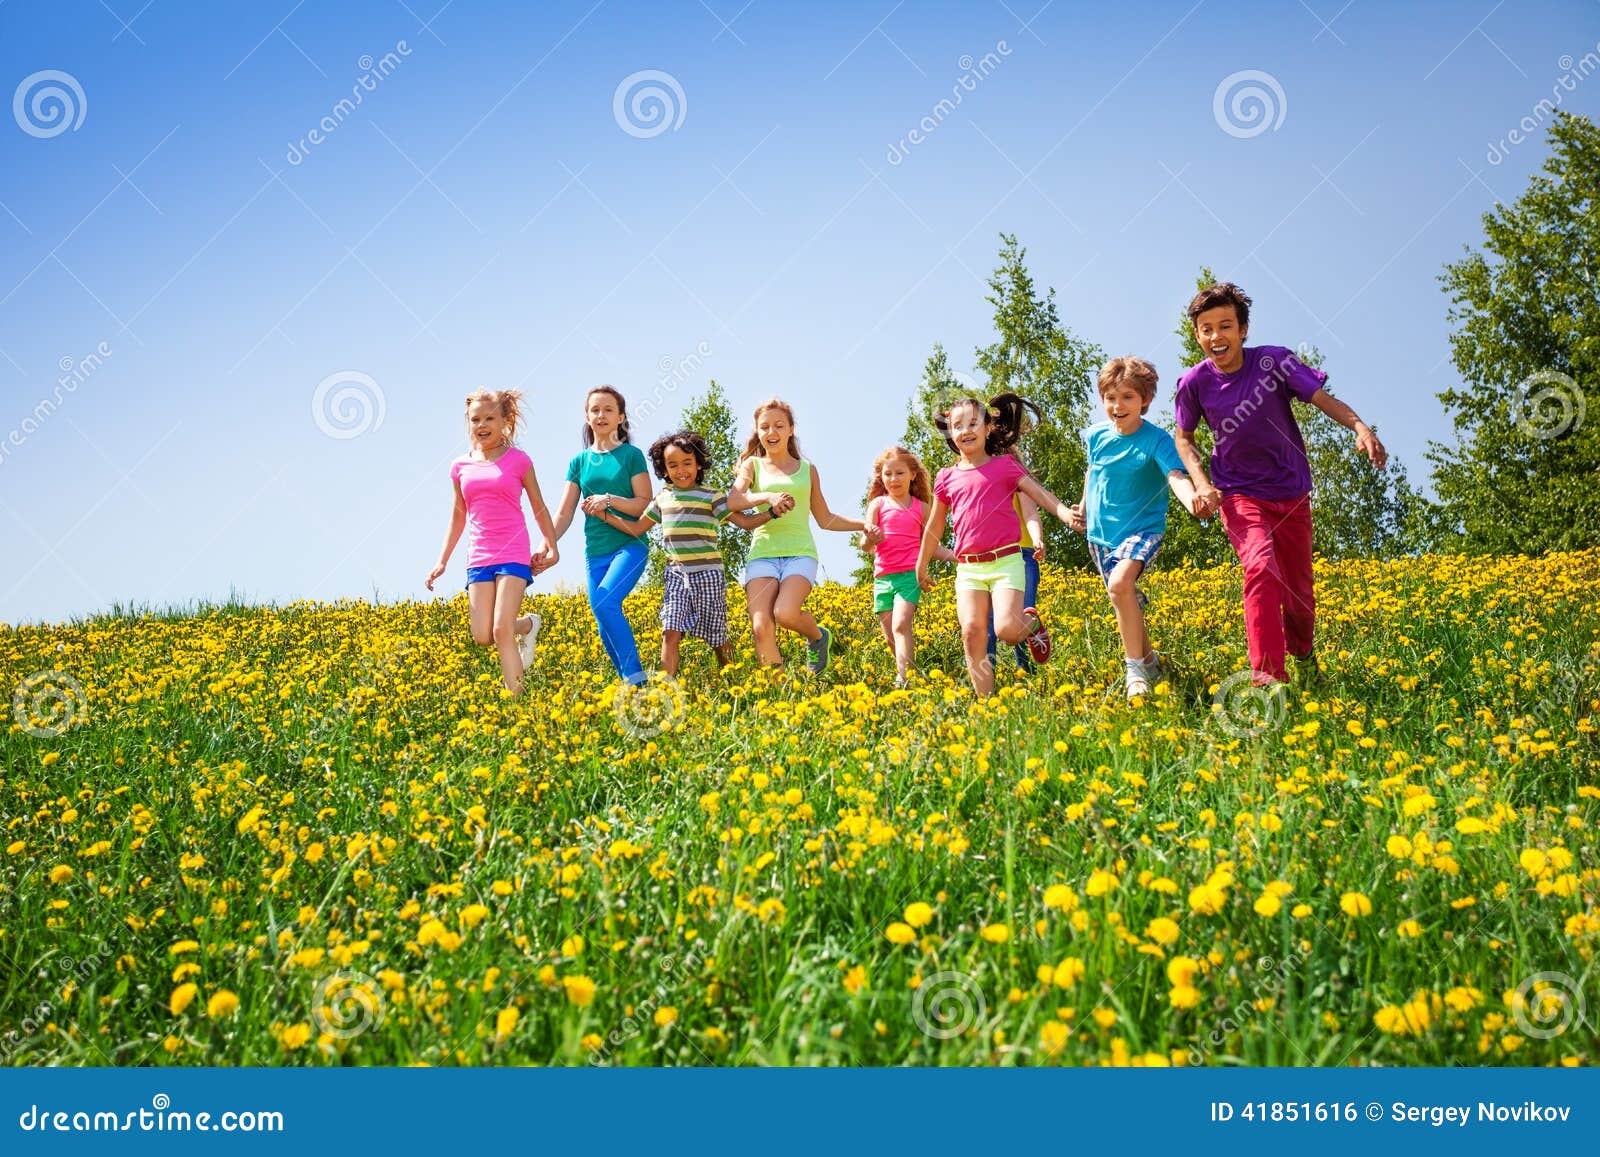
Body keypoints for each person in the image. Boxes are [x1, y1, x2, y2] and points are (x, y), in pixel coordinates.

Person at [1173, 282, 1387, 687]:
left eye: (1225, 326)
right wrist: (1201, 483)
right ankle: (1268, 680)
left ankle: (1303, 654)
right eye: (1206, 329)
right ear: (1197, 335)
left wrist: (1359, 426)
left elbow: (1323, 399)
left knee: (1300, 598)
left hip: (1290, 493)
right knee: (1260, 568)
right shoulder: (1194, 383)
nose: (1216, 336)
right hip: (1238, 493)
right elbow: (1184, 439)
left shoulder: (1275, 362)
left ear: (1243, 330)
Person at [1066, 357, 1210, 699]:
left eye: (1127, 397)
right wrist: (1083, 506)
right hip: (1100, 535)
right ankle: (1152, 665)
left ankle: (1135, 673)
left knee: (1120, 585)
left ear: (1145, 399)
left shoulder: (1157, 440)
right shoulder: (1096, 435)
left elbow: (1175, 475)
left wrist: (1192, 499)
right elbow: (1093, 471)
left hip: (1143, 530)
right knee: (1123, 598)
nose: (1118, 406)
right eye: (1111, 398)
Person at [915, 392, 1074, 698]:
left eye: (973, 423)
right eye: (958, 426)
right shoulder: (946, 477)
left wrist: (1065, 513)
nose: (966, 430)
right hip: (969, 569)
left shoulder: (1005, 466)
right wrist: (920, 565)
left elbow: (1039, 495)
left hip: (1006, 562)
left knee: (1007, 631)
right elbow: (934, 525)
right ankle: (986, 705)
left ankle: (1031, 624)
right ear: (951, 433)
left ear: (988, 428)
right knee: (972, 632)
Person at [598, 430, 773, 677]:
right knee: (670, 632)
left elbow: (744, 522)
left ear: (698, 464)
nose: (681, 470)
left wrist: (771, 513)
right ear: (664, 469)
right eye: (673, 465)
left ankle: (733, 680)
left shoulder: (712, 496)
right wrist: (605, 515)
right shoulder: (662, 499)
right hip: (676, 575)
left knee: (717, 637)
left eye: (687, 463)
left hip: (709, 575)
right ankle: (666, 689)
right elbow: (636, 528)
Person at [724, 398, 876, 674]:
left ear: (791, 429)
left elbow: (825, 518)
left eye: (779, 426)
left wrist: (862, 524)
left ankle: (818, 637)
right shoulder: (752, 466)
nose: (772, 432)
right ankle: (779, 690)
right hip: (762, 555)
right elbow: (733, 501)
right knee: (760, 626)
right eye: (765, 427)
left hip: (800, 554)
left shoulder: (807, 470)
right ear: (757, 431)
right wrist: (767, 497)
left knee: (785, 613)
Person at [426, 389, 556, 696]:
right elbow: (458, 516)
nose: (482, 425)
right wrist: (442, 561)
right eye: (476, 419)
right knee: (482, 635)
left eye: (489, 418)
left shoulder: (519, 461)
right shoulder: (460, 467)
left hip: (513, 551)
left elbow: (538, 505)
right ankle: (527, 624)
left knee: (500, 631)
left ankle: (518, 704)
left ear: (505, 421)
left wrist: (551, 544)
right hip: (479, 556)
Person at [546, 385, 652, 686]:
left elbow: (643, 504)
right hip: (596, 553)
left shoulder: (631, 455)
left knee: (605, 603)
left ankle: (637, 680)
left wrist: (609, 500)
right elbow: (564, 512)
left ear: (621, 417)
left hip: (630, 546)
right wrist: (547, 544)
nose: (601, 415)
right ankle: (631, 688)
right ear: (587, 417)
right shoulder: (579, 462)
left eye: (608, 410)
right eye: (595, 410)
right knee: (603, 620)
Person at [862, 446, 953, 687]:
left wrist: (958, 556)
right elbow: (865, 546)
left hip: (909, 576)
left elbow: (932, 546)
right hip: (883, 578)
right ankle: (910, 674)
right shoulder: (877, 505)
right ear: (881, 477)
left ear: (913, 475)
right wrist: (871, 538)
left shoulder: (921, 508)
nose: (894, 479)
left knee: (901, 625)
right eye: (888, 474)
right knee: (890, 636)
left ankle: (903, 680)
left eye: (899, 473)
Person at [986, 467, 1047, 673]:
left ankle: (1027, 672)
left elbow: (1030, 513)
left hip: (1022, 554)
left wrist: (1037, 538)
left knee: (1021, 615)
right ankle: (988, 680)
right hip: (990, 559)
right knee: (988, 623)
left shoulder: (1015, 476)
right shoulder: (976, 479)